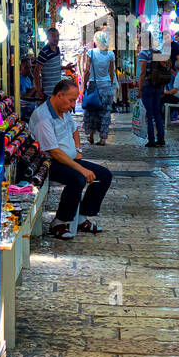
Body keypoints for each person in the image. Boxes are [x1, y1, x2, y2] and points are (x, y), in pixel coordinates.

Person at [27, 78, 113, 239]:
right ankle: (60, 221)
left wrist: (78, 149)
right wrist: (80, 168)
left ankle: (82, 217)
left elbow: (74, 130)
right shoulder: (43, 117)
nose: (73, 105)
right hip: (50, 163)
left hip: (70, 160)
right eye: (71, 100)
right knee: (78, 178)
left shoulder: (63, 111)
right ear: (59, 95)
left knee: (104, 175)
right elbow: (54, 151)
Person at [82, 31, 117, 145]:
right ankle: (103, 138)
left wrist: (84, 85)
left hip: (93, 85)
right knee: (105, 112)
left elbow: (87, 70)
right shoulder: (111, 54)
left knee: (91, 111)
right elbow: (111, 73)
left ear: (96, 41)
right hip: (106, 85)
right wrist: (110, 86)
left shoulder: (90, 53)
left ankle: (91, 135)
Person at [137, 43, 172, 147]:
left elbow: (143, 72)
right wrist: (162, 88)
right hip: (157, 85)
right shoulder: (157, 52)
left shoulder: (143, 53)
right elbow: (164, 68)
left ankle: (151, 139)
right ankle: (161, 138)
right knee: (157, 113)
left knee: (149, 113)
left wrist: (139, 89)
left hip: (147, 85)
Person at [37, 28, 62, 99]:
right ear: (48, 38)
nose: (56, 38)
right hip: (48, 92)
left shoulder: (57, 49)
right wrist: (39, 90)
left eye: (57, 36)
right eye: (53, 36)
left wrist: (65, 67)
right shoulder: (44, 52)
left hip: (57, 90)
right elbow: (36, 71)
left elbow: (53, 66)